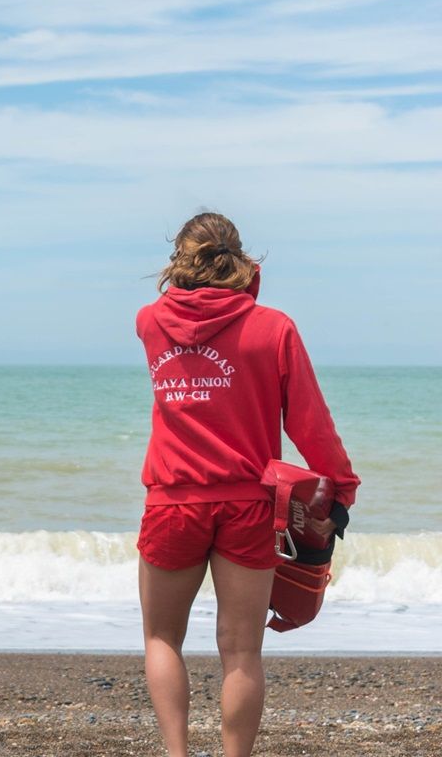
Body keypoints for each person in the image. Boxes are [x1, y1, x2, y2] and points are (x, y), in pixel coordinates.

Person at [134, 212, 358, 757]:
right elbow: (310, 422)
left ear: (181, 260)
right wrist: (342, 491)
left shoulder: (149, 322)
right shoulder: (273, 327)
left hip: (173, 502)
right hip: (250, 505)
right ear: (241, 261)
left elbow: (185, 310)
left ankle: (176, 754)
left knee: (163, 639)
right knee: (241, 653)